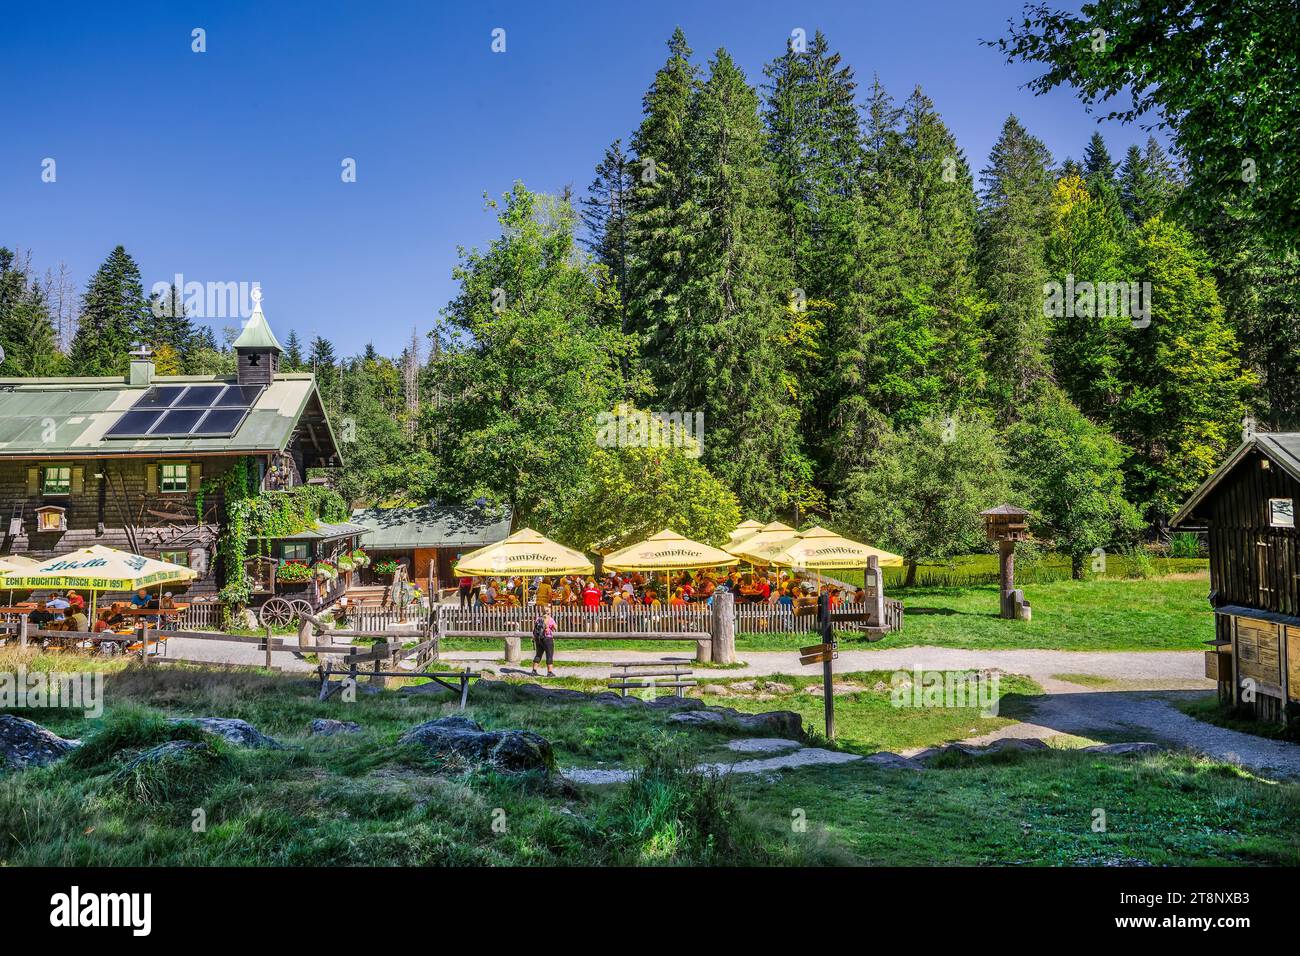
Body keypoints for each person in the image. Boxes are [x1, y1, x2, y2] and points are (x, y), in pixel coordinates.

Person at [531, 608, 557, 677]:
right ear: (549, 612)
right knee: (549, 655)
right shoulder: (550, 619)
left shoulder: (538, 619)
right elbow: (555, 628)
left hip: (538, 639)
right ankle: (549, 672)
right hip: (548, 639)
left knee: (538, 654)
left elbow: (535, 629)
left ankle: (534, 671)